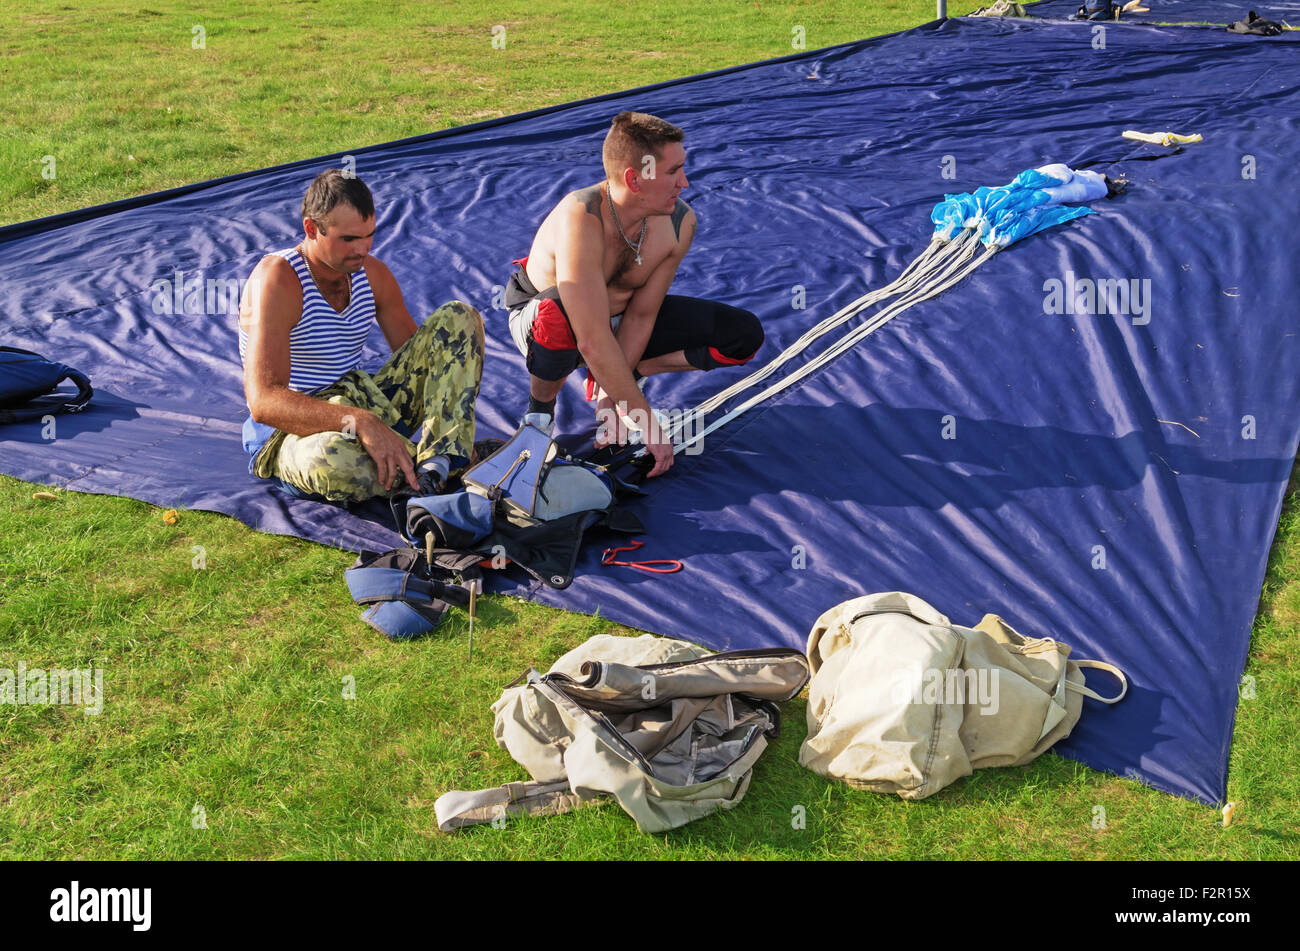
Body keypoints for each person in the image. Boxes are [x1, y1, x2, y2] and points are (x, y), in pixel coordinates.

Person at [505, 111, 763, 478]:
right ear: (634, 178)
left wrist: (616, 397)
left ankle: (624, 374)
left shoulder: (679, 222)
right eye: (673, 172)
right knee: (557, 312)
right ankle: (539, 417)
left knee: (742, 334)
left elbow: (642, 314)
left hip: (613, 325)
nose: (685, 183)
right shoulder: (581, 216)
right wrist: (648, 423)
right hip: (546, 322)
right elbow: (593, 338)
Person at [238, 169, 484, 503]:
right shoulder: (278, 279)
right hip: (291, 432)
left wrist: (368, 418)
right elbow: (264, 402)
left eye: (369, 235)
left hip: (359, 400)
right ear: (311, 228)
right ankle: (435, 466)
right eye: (349, 239)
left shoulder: (373, 274)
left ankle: (439, 464)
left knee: (459, 317)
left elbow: (430, 368)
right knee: (335, 462)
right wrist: (359, 421)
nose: (363, 249)